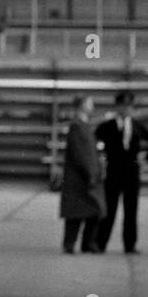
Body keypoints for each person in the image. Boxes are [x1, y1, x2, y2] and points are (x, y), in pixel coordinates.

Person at [94, 91, 148, 254]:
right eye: (122, 106)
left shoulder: (137, 126)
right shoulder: (107, 126)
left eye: (129, 106)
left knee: (131, 211)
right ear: (117, 107)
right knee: (109, 210)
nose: (126, 109)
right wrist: (100, 157)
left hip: (131, 173)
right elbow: (94, 140)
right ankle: (101, 243)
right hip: (113, 171)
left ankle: (130, 245)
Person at [60, 95, 105, 253]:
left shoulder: (84, 125)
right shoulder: (77, 126)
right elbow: (80, 153)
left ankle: (87, 243)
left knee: (92, 210)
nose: (92, 106)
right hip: (80, 177)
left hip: (87, 175)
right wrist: (90, 172)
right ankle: (71, 243)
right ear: (81, 106)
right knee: (76, 213)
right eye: (89, 103)